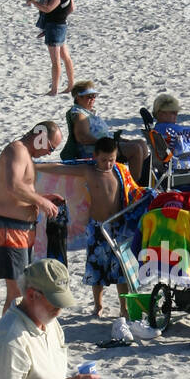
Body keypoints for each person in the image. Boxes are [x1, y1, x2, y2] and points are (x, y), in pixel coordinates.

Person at [41, 135, 144, 317]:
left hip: (118, 227)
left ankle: (124, 307)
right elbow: (60, 168)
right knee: (96, 269)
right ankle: (98, 305)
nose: (108, 164)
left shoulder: (120, 171)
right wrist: (35, 166)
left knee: (121, 270)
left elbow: (133, 190)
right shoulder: (89, 171)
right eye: (104, 160)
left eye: (111, 159)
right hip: (97, 227)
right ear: (95, 156)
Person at [0, 122, 63, 312]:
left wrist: (43, 199)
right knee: (16, 293)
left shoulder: (25, 154)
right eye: (51, 148)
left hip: (22, 229)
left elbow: (19, 193)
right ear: (40, 137)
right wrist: (41, 202)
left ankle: (16, 327)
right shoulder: (16, 150)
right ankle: (8, 330)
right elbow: (13, 186)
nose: (49, 153)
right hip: (10, 229)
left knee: (23, 289)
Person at [61, 82, 148, 181]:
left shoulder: (87, 112)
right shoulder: (80, 114)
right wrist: (105, 142)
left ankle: (144, 180)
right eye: (89, 96)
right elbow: (82, 137)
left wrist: (116, 139)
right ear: (78, 97)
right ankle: (133, 185)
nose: (93, 99)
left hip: (105, 145)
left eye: (94, 96)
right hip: (96, 150)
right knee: (135, 149)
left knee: (141, 143)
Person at [26, 0, 74, 95]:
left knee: (55, 61)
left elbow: (47, 9)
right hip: (62, 25)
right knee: (66, 57)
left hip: (54, 27)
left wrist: (33, 2)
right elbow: (71, 8)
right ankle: (70, 85)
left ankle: (54, 90)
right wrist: (62, 14)